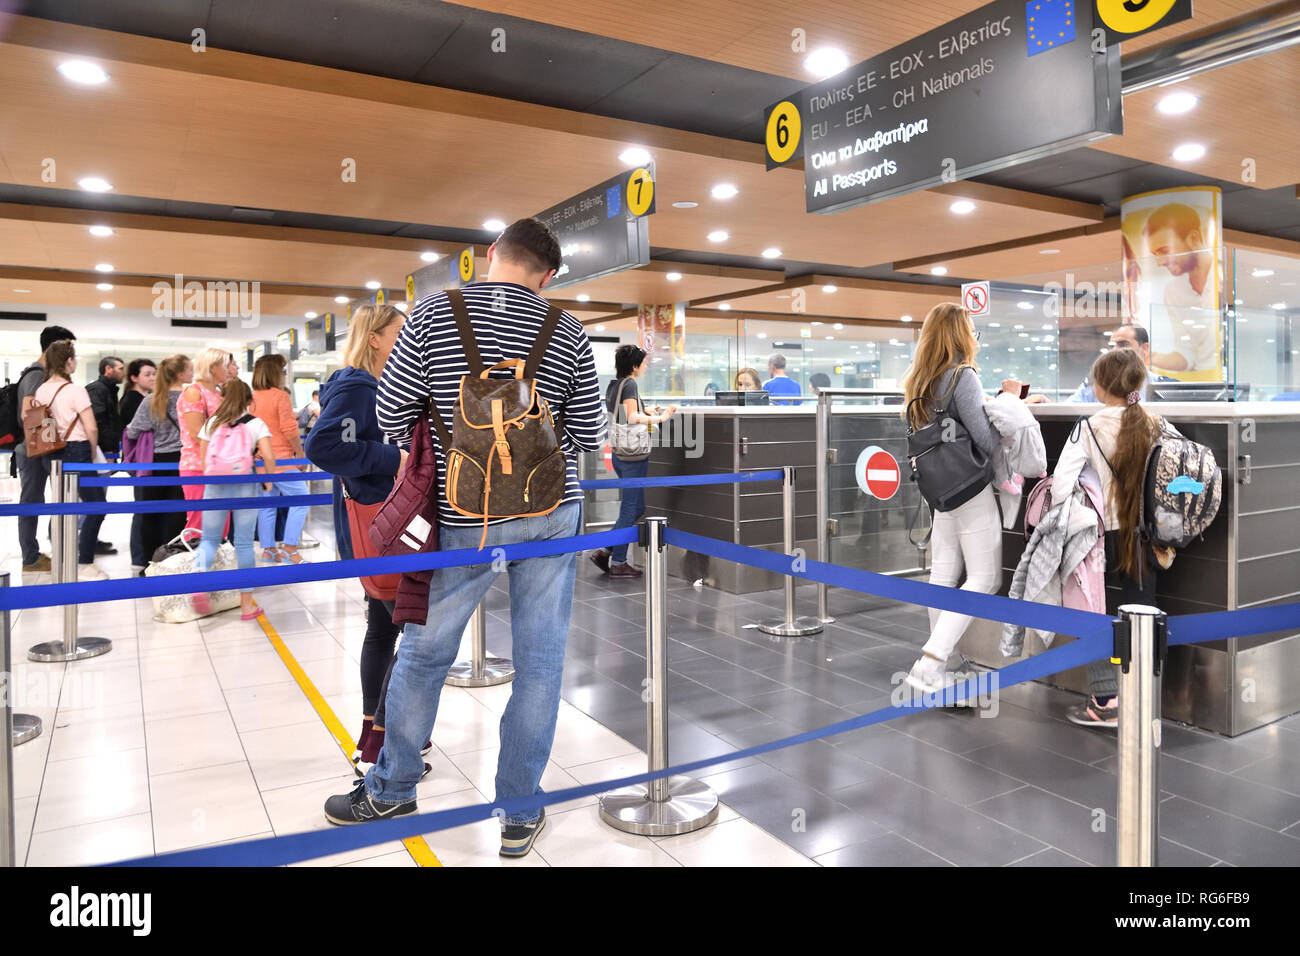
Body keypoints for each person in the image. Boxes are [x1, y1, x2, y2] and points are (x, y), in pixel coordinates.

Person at [325, 217, 606, 859]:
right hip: (548, 512)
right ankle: (517, 812)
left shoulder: (431, 315)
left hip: (463, 512)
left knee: (425, 652)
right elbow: (588, 435)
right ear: (549, 275)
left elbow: (393, 416)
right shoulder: (565, 330)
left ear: (487, 257)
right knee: (539, 663)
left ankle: (393, 786)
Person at [304, 304, 429, 776]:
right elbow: (323, 445)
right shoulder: (359, 385)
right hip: (386, 521)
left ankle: (381, 733)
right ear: (375, 338)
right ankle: (384, 739)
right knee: (402, 630)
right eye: (400, 332)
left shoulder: (366, 384)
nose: (407, 339)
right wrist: (392, 458)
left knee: (387, 627)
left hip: (374, 520)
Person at [1050, 348, 1164, 727]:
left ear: (1101, 387)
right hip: (1149, 537)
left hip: (1104, 537)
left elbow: (1061, 485)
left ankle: (1105, 701)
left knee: (1093, 613)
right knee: (1142, 615)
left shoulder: (1089, 427)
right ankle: (1143, 700)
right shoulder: (1154, 422)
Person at [899, 303, 1002, 694]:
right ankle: (931, 662)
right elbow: (986, 440)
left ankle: (938, 671)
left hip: (938, 490)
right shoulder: (962, 376)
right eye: (972, 328)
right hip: (970, 487)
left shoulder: (917, 381)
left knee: (941, 575)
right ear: (961, 334)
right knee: (985, 578)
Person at [589, 344, 677, 579]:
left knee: (636, 507)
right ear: (634, 365)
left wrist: (647, 410)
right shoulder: (630, 383)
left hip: (621, 454)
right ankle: (618, 562)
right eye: (644, 363)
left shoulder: (615, 385)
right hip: (633, 456)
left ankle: (605, 550)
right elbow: (630, 417)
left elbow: (622, 413)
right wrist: (662, 416)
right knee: (630, 509)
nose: (646, 367)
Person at [193, 378, 276, 620]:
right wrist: (268, 479)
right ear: (249, 401)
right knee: (243, 543)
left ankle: (199, 581)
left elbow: (203, 460)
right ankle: (247, 605)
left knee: (209, 539)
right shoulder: (255, 423)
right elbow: (269, 456)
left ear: (222, 398)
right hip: (245, 485)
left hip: (215, 485)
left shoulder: (211, 422)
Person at [30, 340, 109, 580]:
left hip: (50, 452)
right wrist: (93, 452)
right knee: (97, 507)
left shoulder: (42, 389)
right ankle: (85, 562)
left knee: (63, 507)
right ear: (68, 361)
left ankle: (61, 559)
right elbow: (91, 428)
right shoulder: (75, 390)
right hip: (77, 450)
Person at [14, 325, 76, 572]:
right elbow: (27, 413)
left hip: (41, 447)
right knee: (31, 501)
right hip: (33, 449)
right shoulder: (36, 374)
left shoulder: (45, 374)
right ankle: (30, 557)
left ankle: (55, 550)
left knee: (53, 499)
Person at [125, 355, 192, 570]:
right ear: (180, 374)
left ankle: (149, 564)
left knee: (150, 515)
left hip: (153, 463)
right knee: (177, 515)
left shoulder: (152, 400)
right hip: (183, 462)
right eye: (190, 369)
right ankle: (174, 563)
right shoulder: (192, 399)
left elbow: (133, 430)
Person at [1142, 203, 1218, 373]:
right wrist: (1151, 358)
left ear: (1193, 239)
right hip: (1200, 384)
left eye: (1165, 250)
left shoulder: (1222, 278)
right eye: (1155, 255)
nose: (1160, 262)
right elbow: (1187, 353)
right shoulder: (1173, 292)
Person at [1019, 324, 1175, 404]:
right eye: (1111, 346)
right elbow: (1071, 408)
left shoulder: (1163, 386)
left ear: (1144, 348)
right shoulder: (1095, 384)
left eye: (1123, 344)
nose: (1115, 351)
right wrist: (1044, 402)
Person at [251, 354, 310, 564]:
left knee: (268, 505)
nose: (284, 374)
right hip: (281, 460)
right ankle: (290, 548)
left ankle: (268, 550)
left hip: (260, 461)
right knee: (302, 499)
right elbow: (289, 429)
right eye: (283, 371)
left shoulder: (252, 397)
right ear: (275, 372)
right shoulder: (280, 396)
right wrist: (300, 454)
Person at [178, 348, 232, 532]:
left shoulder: (219, 394)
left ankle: (217, 560)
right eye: (226, 365)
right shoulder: (193, 392)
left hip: (220, 466)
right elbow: (197, 433)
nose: (229, 370)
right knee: (199, 525)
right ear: (213, 367)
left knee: (221, 524)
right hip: (198, 466)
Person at [84, 355, 125, 556]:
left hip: (103, 452)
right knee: (94, 501)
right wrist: (107, 451)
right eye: (120, 368)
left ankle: (92, 539)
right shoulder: (97, 390)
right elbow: (99, 424)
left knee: (98, 500)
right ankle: (82, 542)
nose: (123, 372)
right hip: (96, 454)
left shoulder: (108, 390)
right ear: (108, 369)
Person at [119, 359, 157, 569]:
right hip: (140, 459)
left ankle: (144, 554)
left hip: (146, 460)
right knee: (142, 507)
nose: (153, 378)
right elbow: (134, 431)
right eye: (148, 374)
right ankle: (139, 556)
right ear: (134, 377)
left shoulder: (146, 398)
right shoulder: (133, 400)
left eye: (154, 374)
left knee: (146, 507)